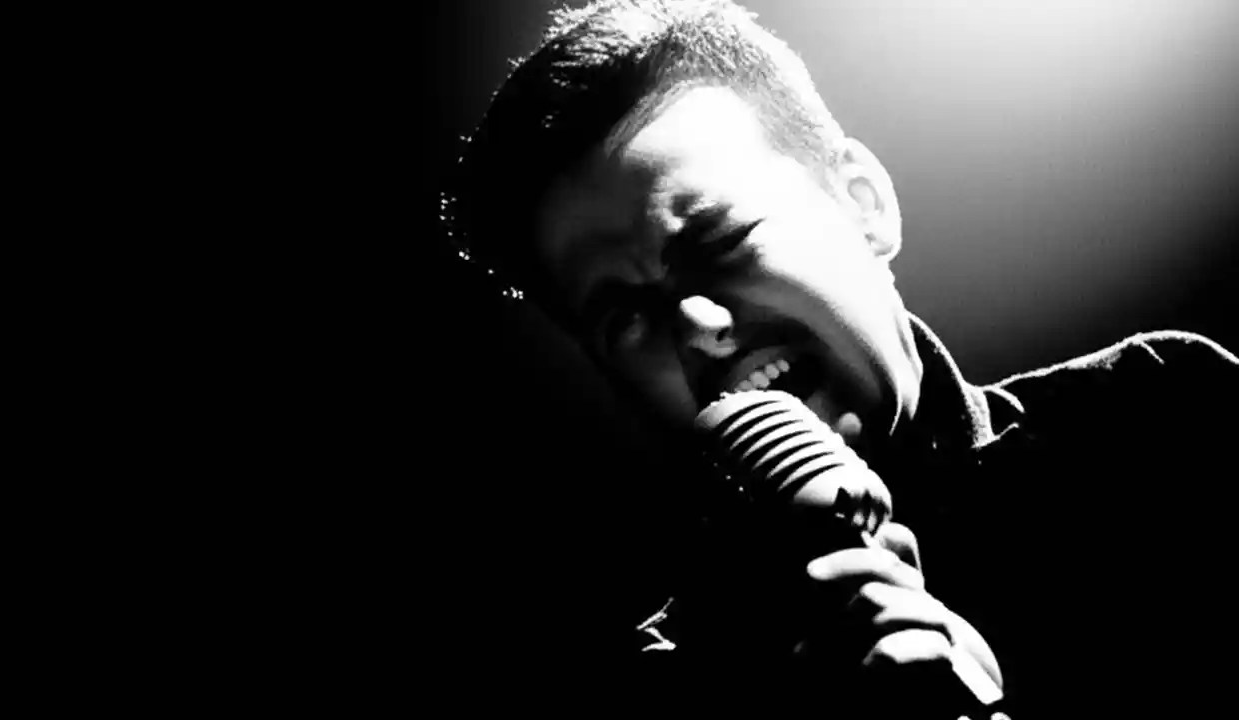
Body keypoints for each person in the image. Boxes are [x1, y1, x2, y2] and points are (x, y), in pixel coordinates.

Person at [440, 1, 1239, 716]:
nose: (694, 326)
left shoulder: (1161, 419)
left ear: (863, 203)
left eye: (720, 243)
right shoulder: (667, 688)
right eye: (624, 319)